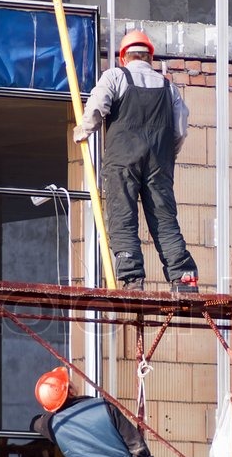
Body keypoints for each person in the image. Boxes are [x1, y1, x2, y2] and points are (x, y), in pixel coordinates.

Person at [74, 29, 199, 293]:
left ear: (123, 57)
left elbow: (98, 107)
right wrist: (167, 157)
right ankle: (183, 276)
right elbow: (180, 130)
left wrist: (83, 130)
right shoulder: (169, 86)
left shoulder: (115, 76)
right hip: (159, 163)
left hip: (123, 159)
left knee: (123, 216)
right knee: (164, 219)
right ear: (150, 58)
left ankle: (132, 279)